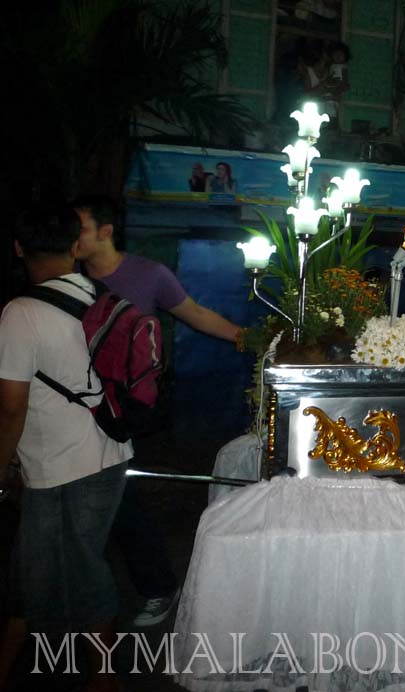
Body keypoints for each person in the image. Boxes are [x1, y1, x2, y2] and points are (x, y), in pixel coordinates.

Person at [72, 194, 244, 628]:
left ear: (106, 231)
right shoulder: (67, 277)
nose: (72, 237)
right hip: (72, 404)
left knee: (121, 496)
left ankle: (156, 587)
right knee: (99, 499)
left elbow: (195, 314)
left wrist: (249, 338)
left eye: (80, 228)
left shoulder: (148, 274)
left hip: (122, 409)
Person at [0, 205, 132, 692]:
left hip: (56, 464)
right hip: (110, 452)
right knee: (68, 558)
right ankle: (92, 670)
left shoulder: (20, 312)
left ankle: (101, 674)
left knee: (69, 563)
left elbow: (11, 405)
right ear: (75, 247)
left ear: (18, 248)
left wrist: (0, 468)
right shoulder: (102, 297)